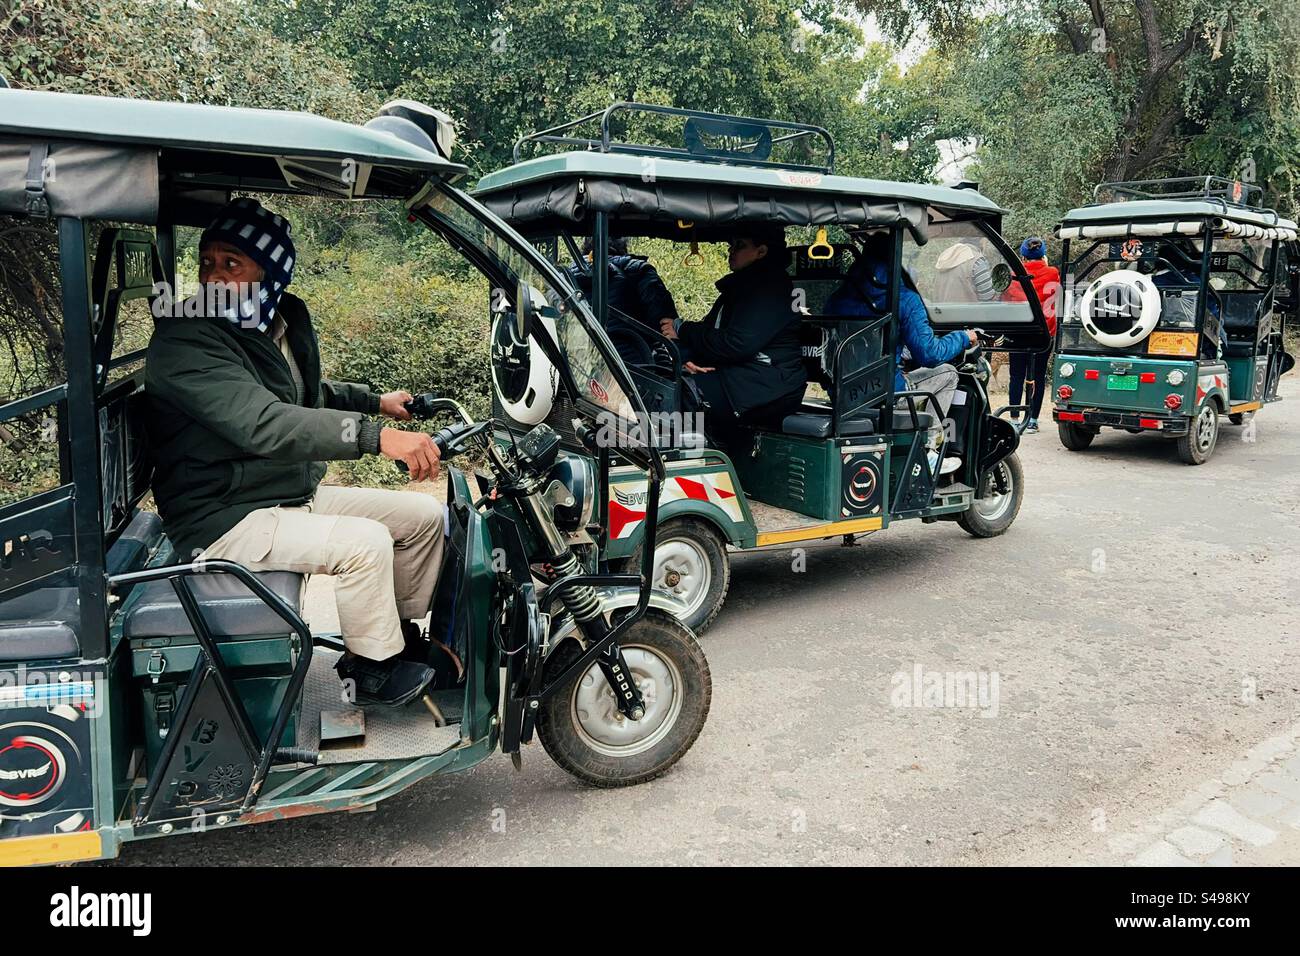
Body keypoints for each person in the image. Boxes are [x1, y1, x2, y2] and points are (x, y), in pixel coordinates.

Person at [146, 198, 447, 707]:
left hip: (280, 490)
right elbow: (265, 421)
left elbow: (304, 393)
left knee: (424, 516)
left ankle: (392, 636)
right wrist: (374, 436)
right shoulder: (186, 338)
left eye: (231, 263)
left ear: (271, 273)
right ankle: (373, 669)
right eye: (207, 262)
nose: (212, 278)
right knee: (365, 543)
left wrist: (376, 402)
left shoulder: (271, 322)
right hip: (222, 515)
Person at [824, 234, 978, 473]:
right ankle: (929, 451)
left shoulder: (839, 296)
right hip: (885, 393)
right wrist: (963, 337)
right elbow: (930, 354)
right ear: (899, 259)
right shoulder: (904, 298)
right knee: (948, 374)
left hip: (845, 392)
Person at [659, 226, 806, 449]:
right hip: (745, 374)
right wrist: (688, 356)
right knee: (664, 381)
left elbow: (737, 343)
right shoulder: (743, 287)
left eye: (740, 246)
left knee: (676, 397)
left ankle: (687, 465)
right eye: (731, 245)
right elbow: (714, 334)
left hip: (770, 385)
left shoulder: (769, 289)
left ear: (761, 251)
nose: (731, 251)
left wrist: (683, 329)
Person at [567, 236, 678, 365]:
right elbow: (667, 323)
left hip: (579, 368)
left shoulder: (561, 279)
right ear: (623, 247)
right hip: (634, 371)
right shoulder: (637, 271)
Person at [1003, 236, 1059, 433]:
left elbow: (1005, 302)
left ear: (1023, 255)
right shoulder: (1053, 273)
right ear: (1043, 254)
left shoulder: (1014, 275)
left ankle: (1015, 418)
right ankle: (1033, 420)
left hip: (1018, 334)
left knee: (1016, 376)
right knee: (1038, 376)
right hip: (1043, 335)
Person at [933, 237, 997, 302]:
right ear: (982, 240)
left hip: (942, 311)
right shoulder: (976, 260)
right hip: (966, 312)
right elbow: (988, 298)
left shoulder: (945, 257)